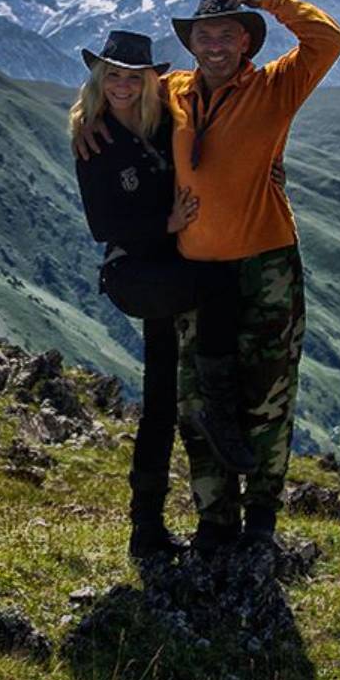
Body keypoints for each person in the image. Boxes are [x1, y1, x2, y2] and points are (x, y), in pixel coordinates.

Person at [80, 0, 340, 555]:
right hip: (195, 274)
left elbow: (327, 38)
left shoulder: (277, 86)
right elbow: (120, 89)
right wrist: (91, 119)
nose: (216, 44)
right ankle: (214, 523)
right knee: (199, 405)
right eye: (205, 35)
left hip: (266, 265)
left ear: (248, 42)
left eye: (229, 34)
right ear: (192, 43)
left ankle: (261, 523)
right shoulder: (173, 91)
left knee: (268, 396)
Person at [69, 30, 253, 561]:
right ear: (99, 78)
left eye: (133, 76)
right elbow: (103, 224)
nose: (122, 85)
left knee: (158, 402)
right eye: (113, 75)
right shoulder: (94, 137)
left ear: (149, 80)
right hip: (136, 273)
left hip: (166, 268)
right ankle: (219, 406)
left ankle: (145, 529)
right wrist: (167, 221)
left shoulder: (162, 119)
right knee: (219, 283)